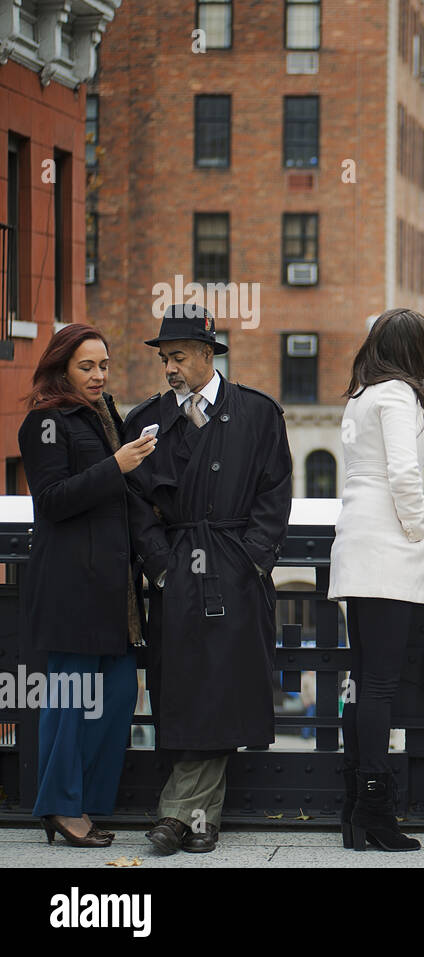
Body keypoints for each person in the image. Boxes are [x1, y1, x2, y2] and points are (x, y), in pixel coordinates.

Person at [123, 303, 292, 854]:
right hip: (178, 571)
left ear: (206, 355)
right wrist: (162, 567)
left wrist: (251, 560)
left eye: (178, 357)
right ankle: (195, 819)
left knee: (221, 687)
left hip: (234, 572)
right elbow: (133, 503)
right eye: (164, 359)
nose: (170, 368)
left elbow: (275, 492)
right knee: (183, 688)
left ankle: (183, 817)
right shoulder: (145, 421)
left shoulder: (258, 413)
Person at [18, 324, 156, 848]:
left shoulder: (103, 414)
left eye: (103, 365)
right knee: (70, 700)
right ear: (61, 368)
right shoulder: (45, 421)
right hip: (72, 586)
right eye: (87, 366)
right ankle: (60, 808)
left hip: (113, 587)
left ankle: (89, 803)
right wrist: (116, 464)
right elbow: (51, 499)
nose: (99, 375)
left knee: (119, 694)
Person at [328, 308, 424, 851]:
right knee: (380, 684)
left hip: (356, 545)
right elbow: (405, 475)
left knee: (363, 681)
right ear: (416, 352)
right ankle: (376, 812)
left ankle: (356, 810)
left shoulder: (362, 396)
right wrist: (417, 531)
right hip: (387, 549)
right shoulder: (399, 397)